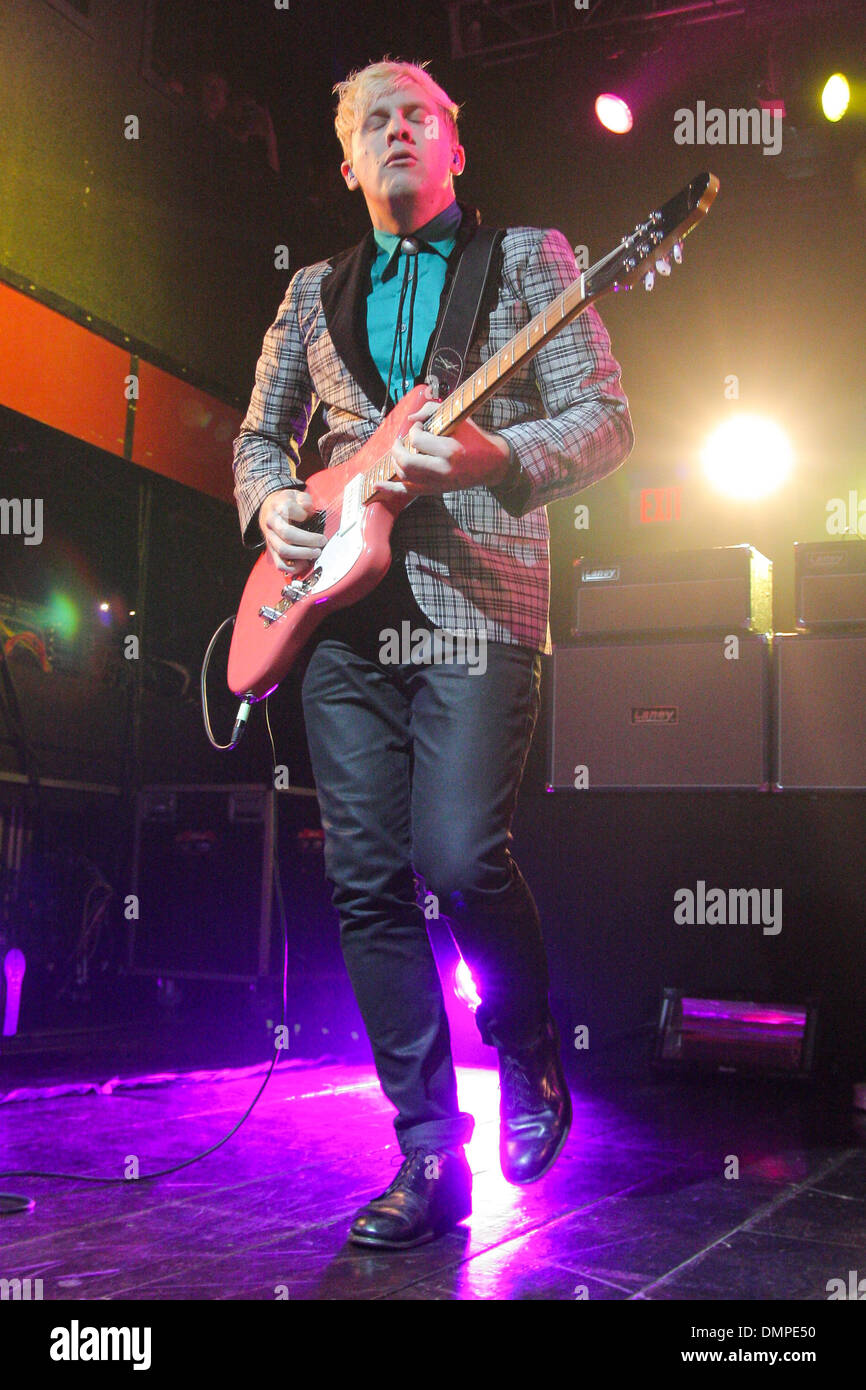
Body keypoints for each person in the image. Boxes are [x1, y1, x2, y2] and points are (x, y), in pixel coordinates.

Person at [232, 58, 634, 1249]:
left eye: (419, 115)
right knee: (365, 883)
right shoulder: (310, 291)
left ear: (454, 146)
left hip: (478, 604)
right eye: (373, 122)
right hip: (338, 614)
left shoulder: (531, 259)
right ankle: (423, 1156)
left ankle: (523, 1044)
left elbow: (607, 417)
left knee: (458, 855)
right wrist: (274, 509)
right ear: (347, 162)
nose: (397, 131)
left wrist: (489, 460)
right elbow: (258, 435)